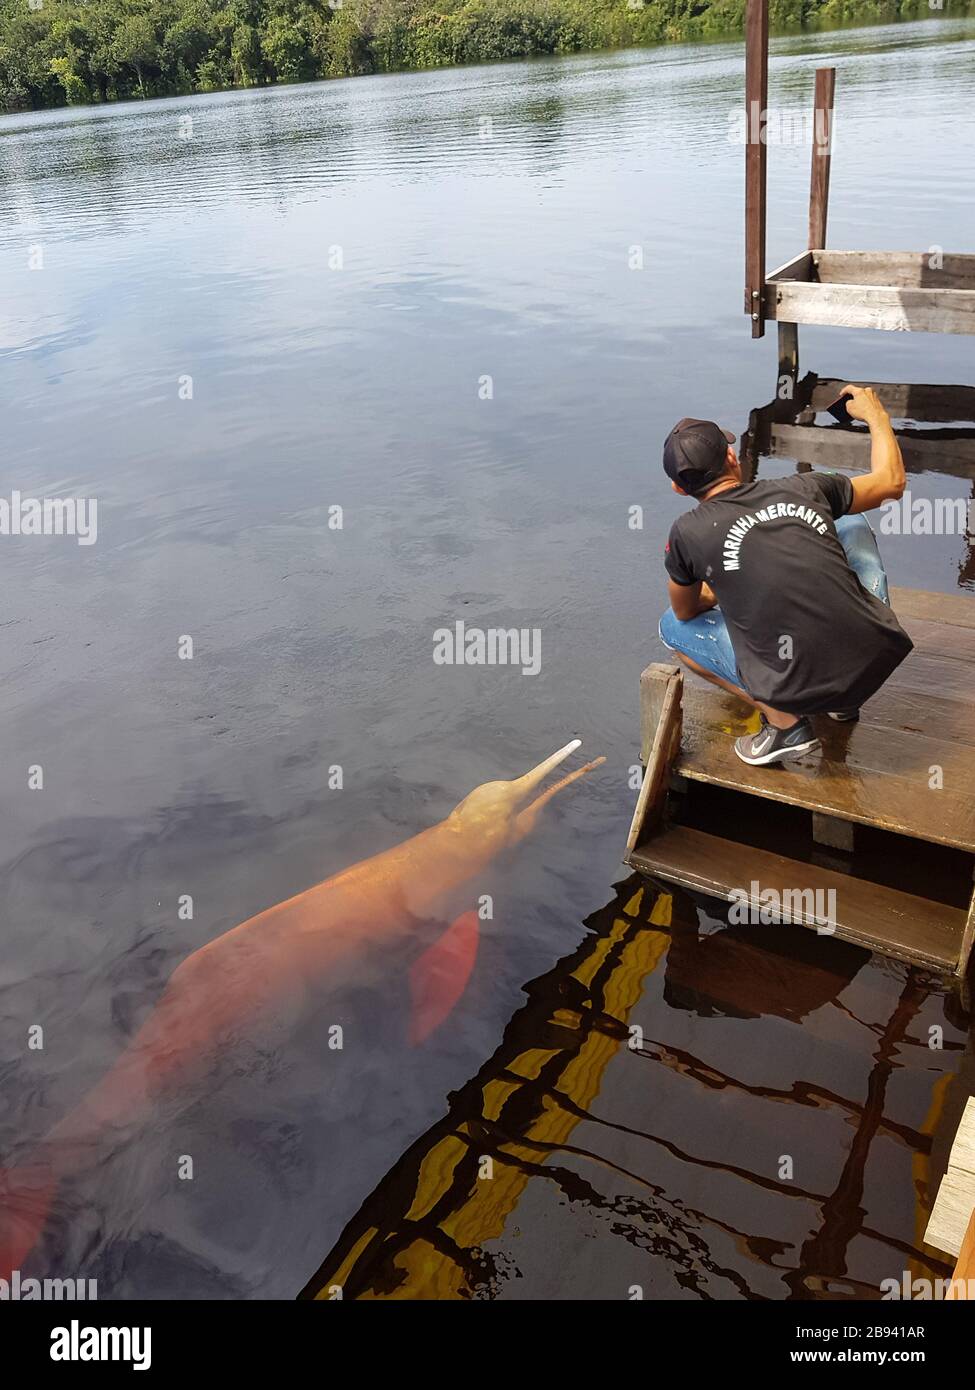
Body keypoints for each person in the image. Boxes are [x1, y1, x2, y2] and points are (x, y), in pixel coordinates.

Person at [658, 386, 912, 766]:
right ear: (733, 457)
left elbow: (684, 611)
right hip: (873, 660)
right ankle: (845, 702)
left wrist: (721, 592)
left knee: (670, 629)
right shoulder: (806, 487)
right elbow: (891, 483)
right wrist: (877, 416)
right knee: (851, 516)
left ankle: (785, 724)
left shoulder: (687, 533)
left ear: (679, 488)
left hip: (793, 678)